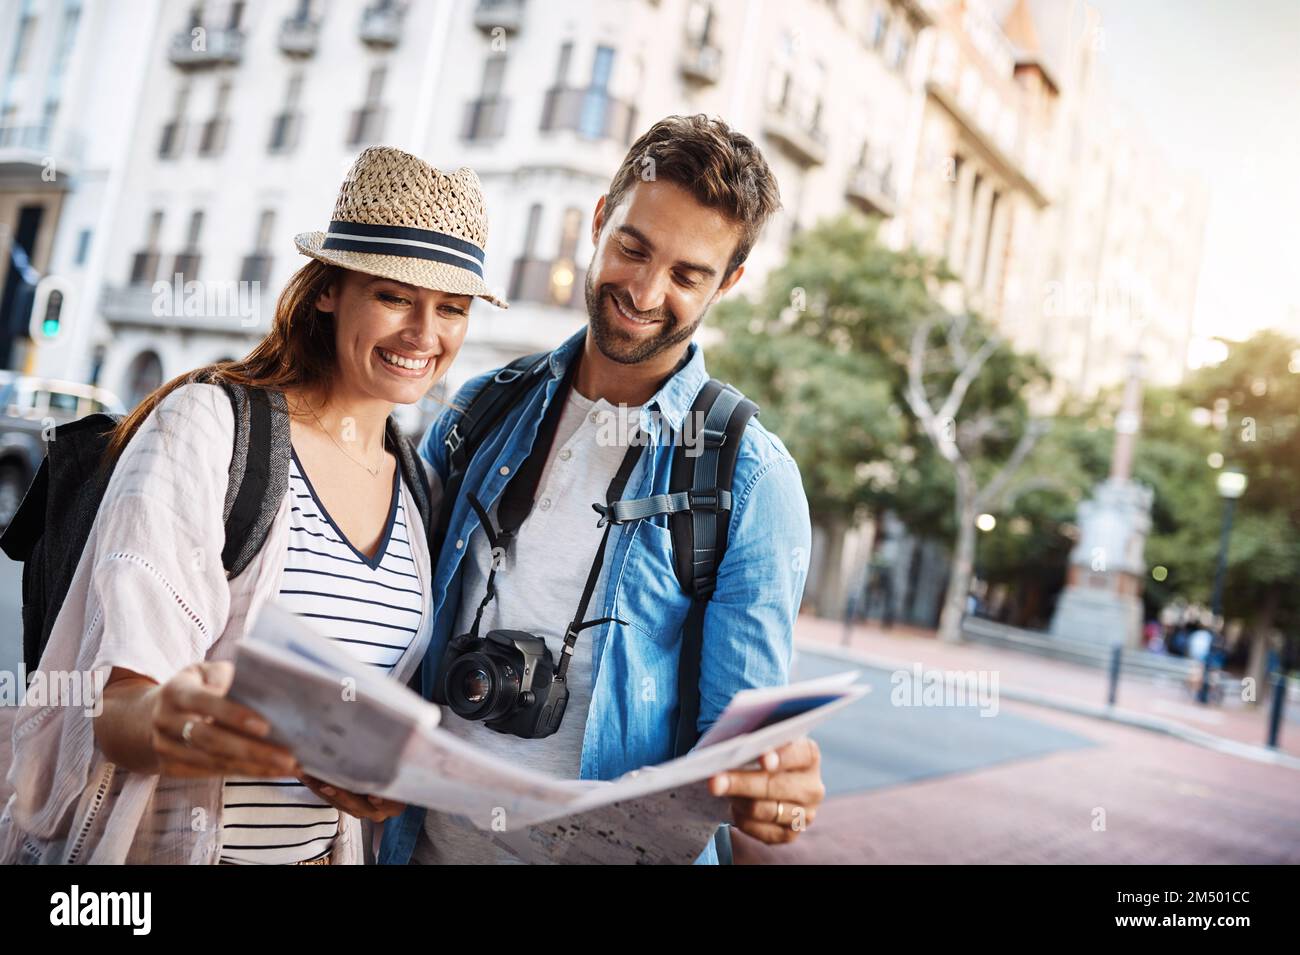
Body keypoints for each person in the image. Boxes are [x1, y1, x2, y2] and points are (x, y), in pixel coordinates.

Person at [0, 147, 505, 863]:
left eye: (451, 308)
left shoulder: (420, 487)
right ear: (329, 289)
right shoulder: (206, 428)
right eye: (395, 296)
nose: (425, 334)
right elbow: (115, 715)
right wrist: (179, 719)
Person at [378, 114, 822, 866]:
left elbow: (737, 758)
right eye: (633, 247)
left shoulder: (751, 480)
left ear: (730, 282)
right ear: (598, 220)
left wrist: (774, 790)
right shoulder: (480, 408)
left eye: (688, 275)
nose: (646, 291)